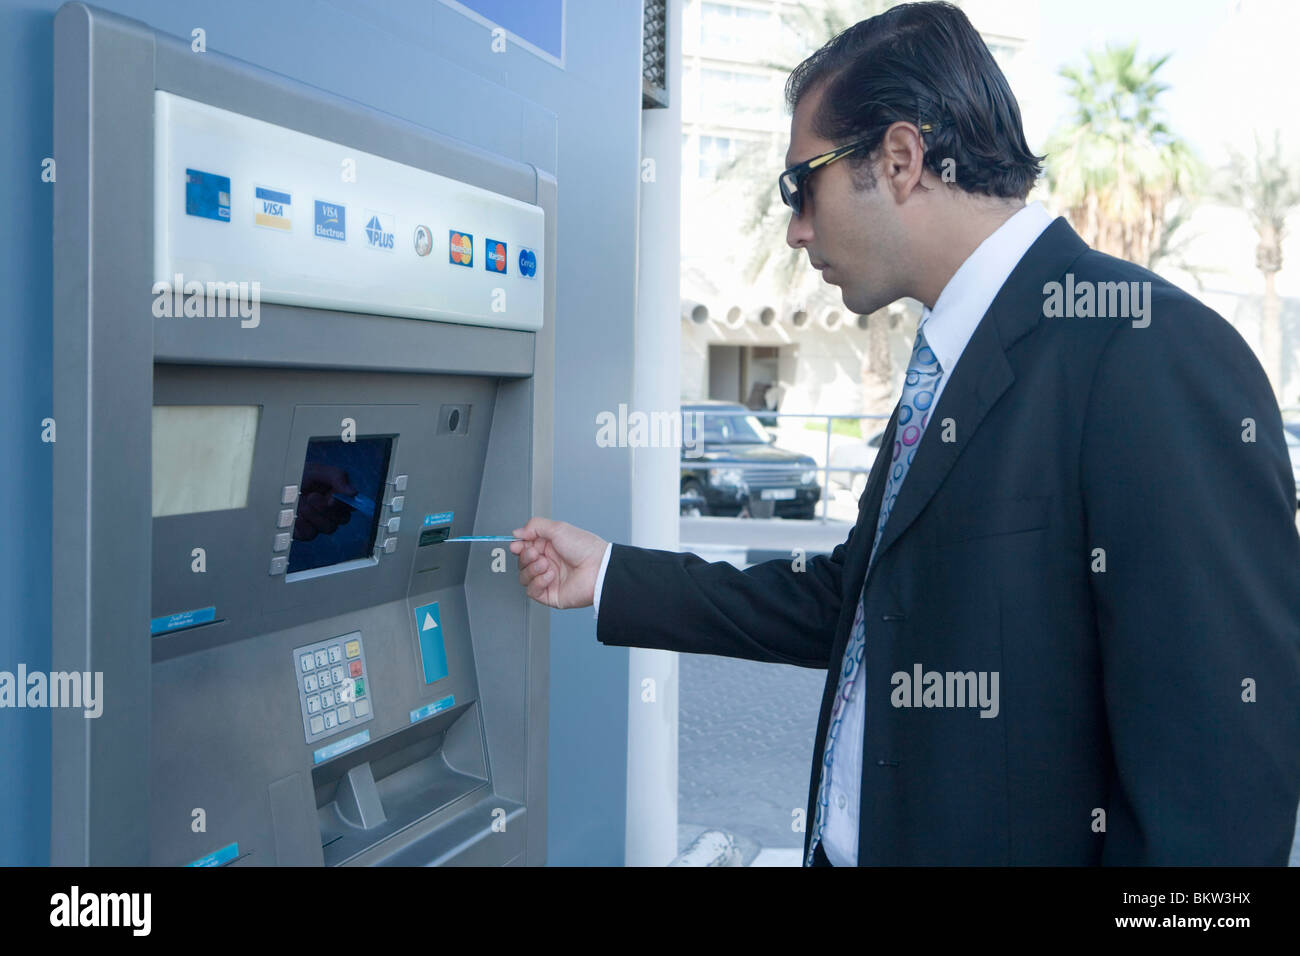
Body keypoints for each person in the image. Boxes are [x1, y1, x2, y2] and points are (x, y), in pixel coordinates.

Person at [510, 1, 1300, 866]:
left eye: (799, 185)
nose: (796, 228)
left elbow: (1219, 802)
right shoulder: (955, 353)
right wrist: (614, 573)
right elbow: (854, 600)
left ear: (898, 159)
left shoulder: (1149, 353)